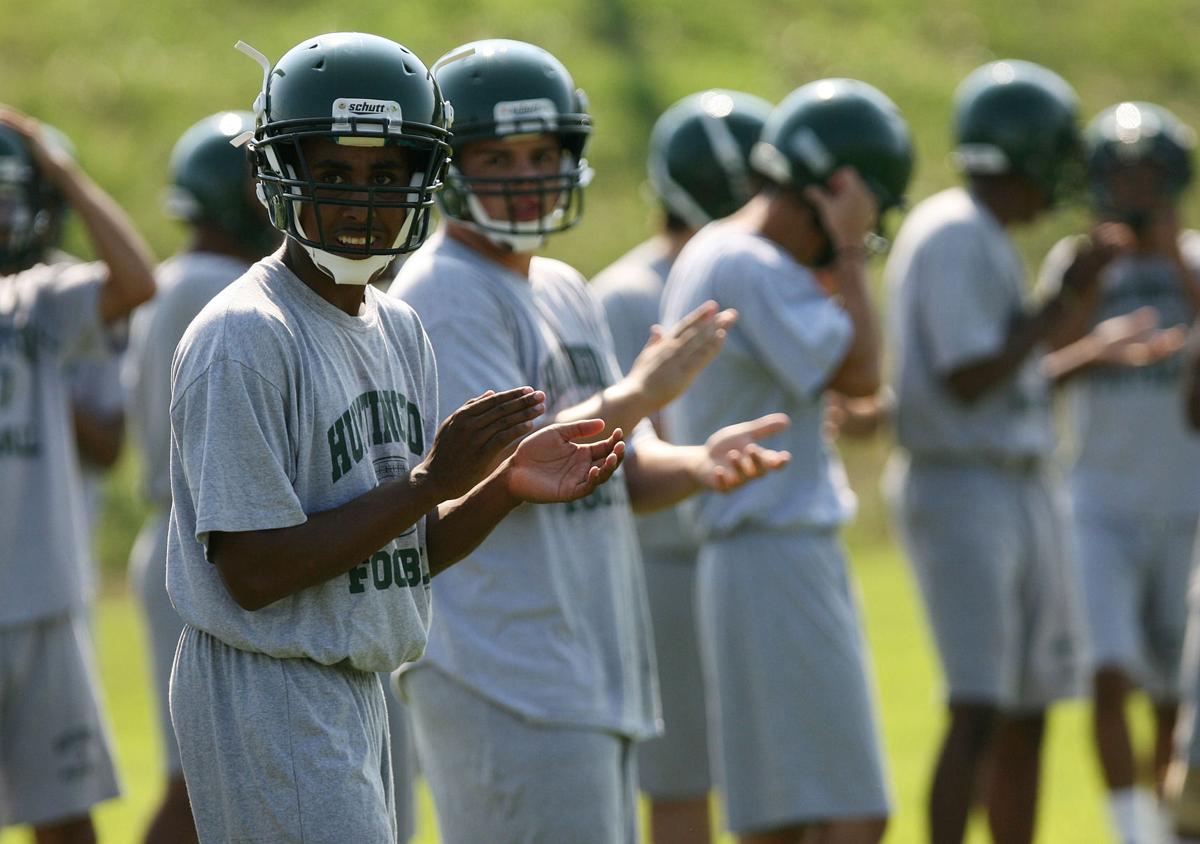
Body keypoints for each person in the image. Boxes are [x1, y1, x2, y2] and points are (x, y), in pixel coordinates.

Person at [165, 33, 627, 844]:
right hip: (270, 683)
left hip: (359, 680)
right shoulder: (246, 332)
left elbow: (397, 560)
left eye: (387, 174)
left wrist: (503, 486)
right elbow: (253, 571)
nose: (361, 199)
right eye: (333, 172)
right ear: (278, 172)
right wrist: (425, 482)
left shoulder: (400, 325)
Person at [389, 39, 791, 844]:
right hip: (505, 672)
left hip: (582, 666)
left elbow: (613, 467)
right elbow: (512, 464)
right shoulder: (443, 288)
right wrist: (641, 394)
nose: (526, 174)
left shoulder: (561, 285)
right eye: (496, 156)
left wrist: (694, 463)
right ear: (446, 165)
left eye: (542, 152)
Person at [662, 78, 912, 844]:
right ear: (830, 190)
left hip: (757, 551)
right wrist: (846, 247)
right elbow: (863, 371)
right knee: (850, 811)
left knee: (781, 814)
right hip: (773, 548)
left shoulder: (719, 250)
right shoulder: (750, 260)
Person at [884, 60, 1128, 844]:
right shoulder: (956, 230)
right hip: (964, 486)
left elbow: (1007, 373)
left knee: (1027, 709)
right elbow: (966, 378)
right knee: (979, 704)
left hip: (1012, 482)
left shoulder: (980, 231)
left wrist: (1069, 323)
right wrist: (1054, 305)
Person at [592, 87, 770, 844]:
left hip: (739, 553)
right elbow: (632, 436)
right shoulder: (628, 293)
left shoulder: (743, 273)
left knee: (765, 778)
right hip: (663, 560)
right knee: (681, 778)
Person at [123, 109, 281, 844]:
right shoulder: (220, 284)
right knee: (201, 781)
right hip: (205, 539)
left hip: (187, 531)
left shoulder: (176, 277)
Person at [0, 107, 156, 843]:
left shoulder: (30, 302)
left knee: (66, 820)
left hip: (42, 595)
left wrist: (62, 167)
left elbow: (135, 278)